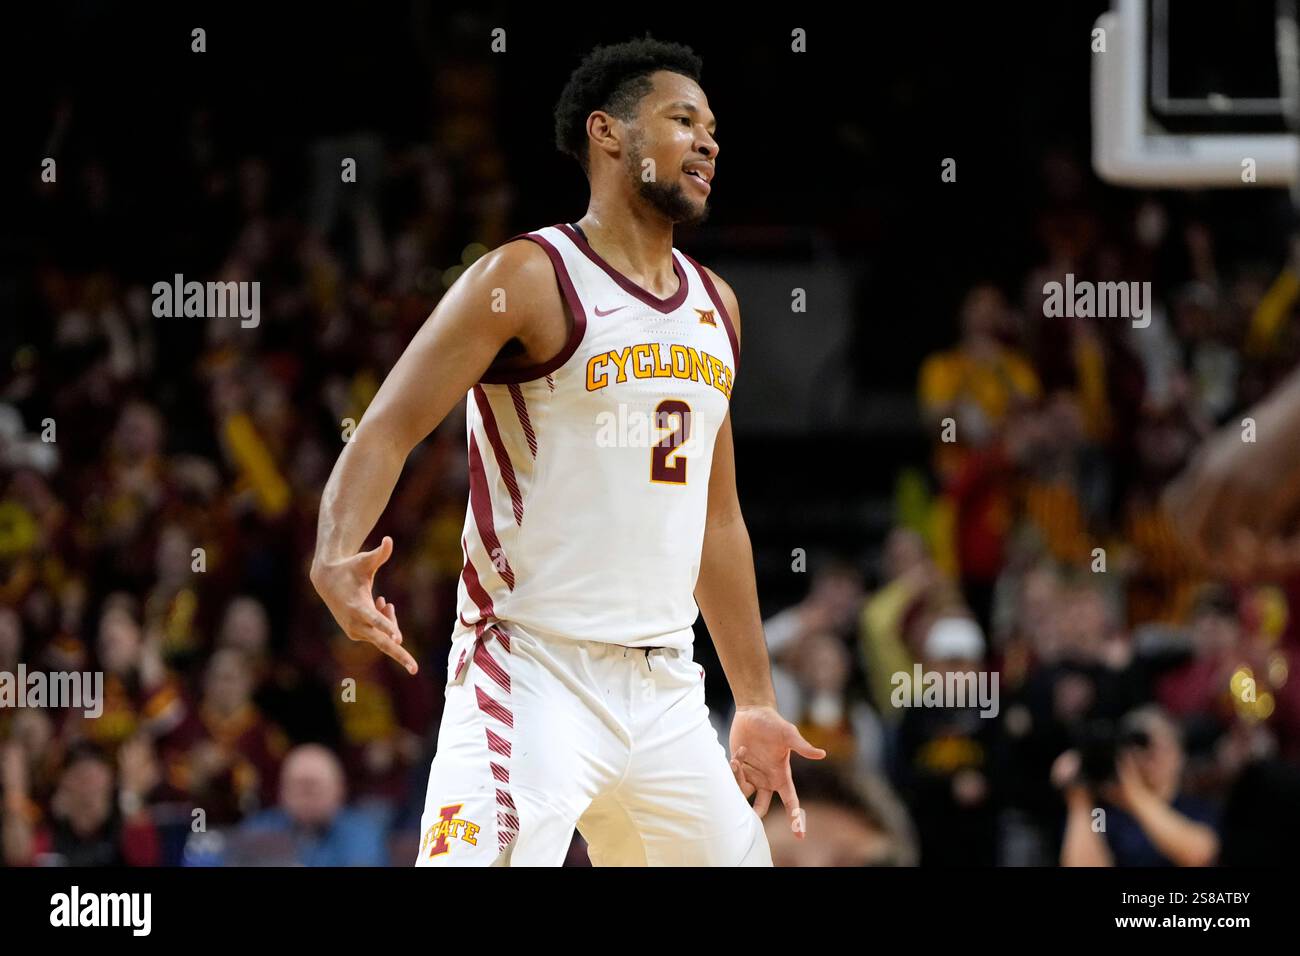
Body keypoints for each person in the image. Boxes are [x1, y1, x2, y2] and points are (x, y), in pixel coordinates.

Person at [310, 37, 823, 867]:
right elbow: (388, 425)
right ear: (608, 134)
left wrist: (756, 699)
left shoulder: (717, 306)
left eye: (713, 128)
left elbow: (718, 521)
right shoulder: (528, 275)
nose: (708, 142)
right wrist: (334, 551)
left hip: (666, 687)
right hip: (529, 666)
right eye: (682, 119)